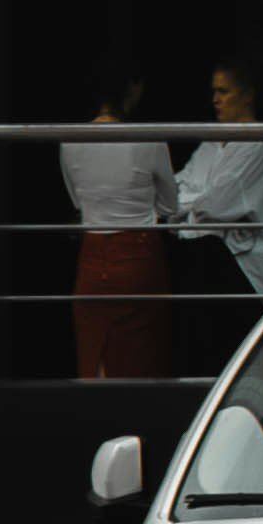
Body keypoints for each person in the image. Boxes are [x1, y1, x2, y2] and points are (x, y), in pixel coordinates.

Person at [60, 84, 175, 381]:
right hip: (139, 254)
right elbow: (169, 204)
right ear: (131, 95)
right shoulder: (147, 139)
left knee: (94, 357)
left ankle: (101, 424)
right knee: (143, 359)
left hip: (92, 256)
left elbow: (77, 201)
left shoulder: (70, 141)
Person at [174, 60, 263, 308]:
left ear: (247, 95)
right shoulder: (211, 144)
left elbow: (215, 205)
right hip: (200, 255)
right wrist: (196, 201)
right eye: (214, 92)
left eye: (223, 91)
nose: (216, 99)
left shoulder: (258, 142)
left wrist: (190, 203)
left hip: (239, 265)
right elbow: (173, 189)